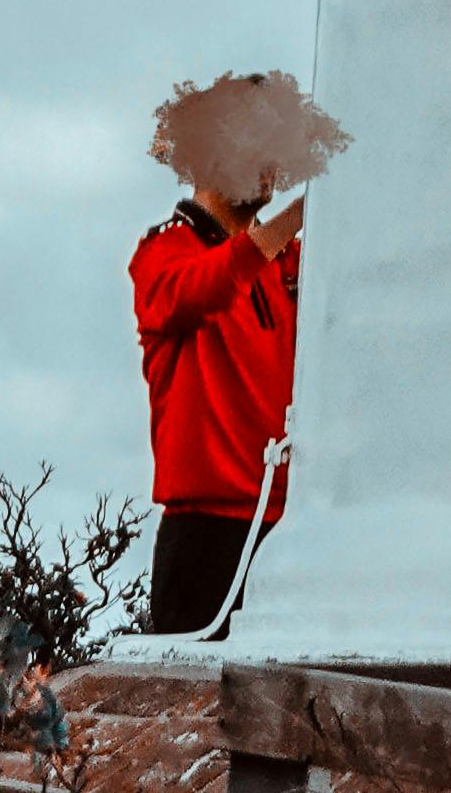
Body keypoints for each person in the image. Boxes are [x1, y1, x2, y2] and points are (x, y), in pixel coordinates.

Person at [130, 168, 304, 635]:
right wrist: (300, 217)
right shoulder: (162, 252)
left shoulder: (290, 261)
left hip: (290, 526)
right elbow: (205, 288)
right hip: (204, 534)